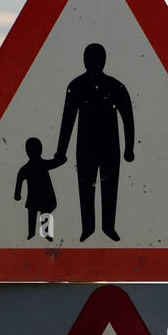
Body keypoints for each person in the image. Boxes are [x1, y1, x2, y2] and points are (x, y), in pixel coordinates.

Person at [51, 43, 134, 241]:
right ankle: (87, 228)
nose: (94, 63)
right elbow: (67, 121)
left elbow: (127, 119)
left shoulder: (116, 87)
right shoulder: (76, 86)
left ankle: (108, 227)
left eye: (97, 60)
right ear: (85, 61)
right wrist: (61, 152)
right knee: (86, 188)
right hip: (86, 147)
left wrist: (129, 148)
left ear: (104, 61)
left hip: (110, 147)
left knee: (110, 187)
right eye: (91, 59)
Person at [14, 137, 59, 241]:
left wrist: (17, 194)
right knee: (35, 213)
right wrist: (17, 194)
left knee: (40, 213)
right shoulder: (29, 167)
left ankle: (40, 233)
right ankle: (32, 233)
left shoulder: (29, 167)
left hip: (43, 197)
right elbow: (19, 180)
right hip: (37, 197)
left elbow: (19, 180)